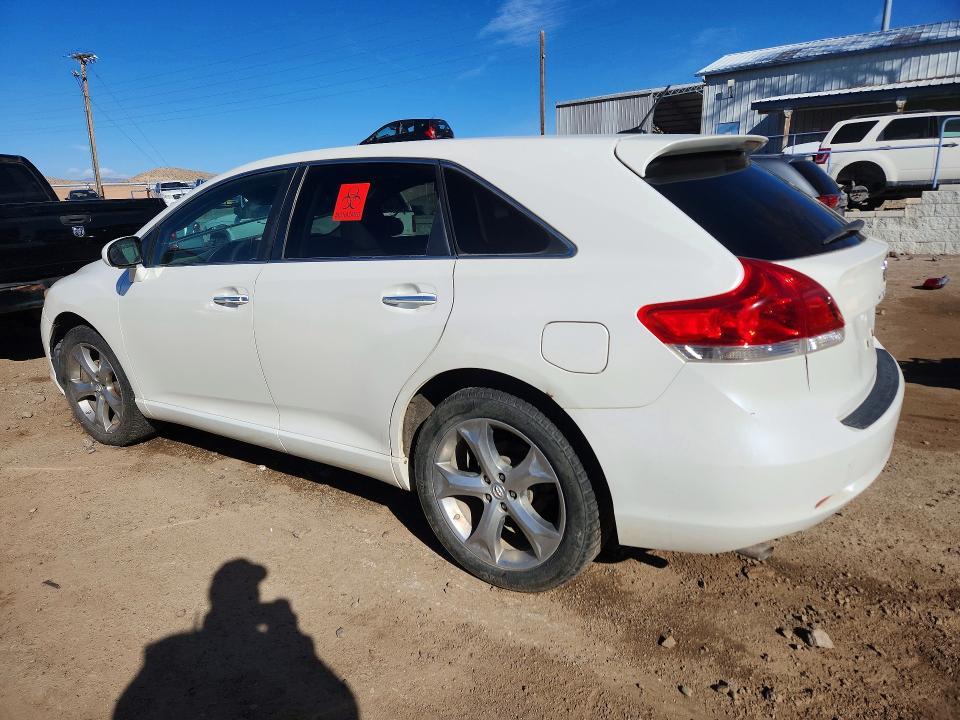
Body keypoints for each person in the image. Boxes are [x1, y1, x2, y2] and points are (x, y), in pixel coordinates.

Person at [113, 559, 358, 720]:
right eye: (251, 589)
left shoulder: (165, 652)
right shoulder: (170, 652)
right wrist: (290, 631)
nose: (255, 594)